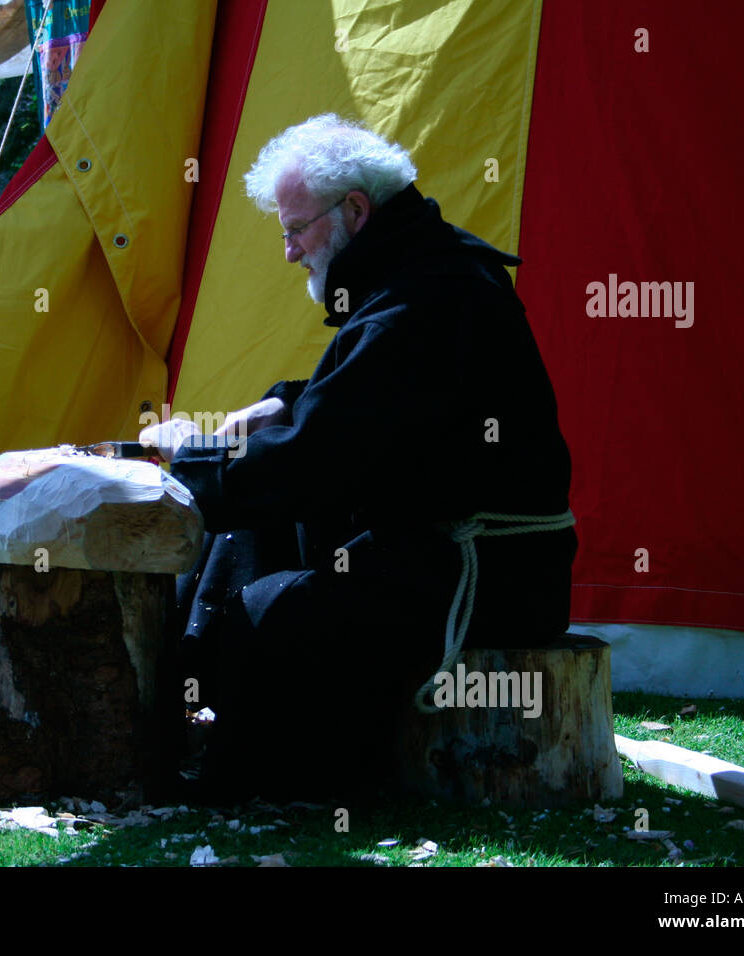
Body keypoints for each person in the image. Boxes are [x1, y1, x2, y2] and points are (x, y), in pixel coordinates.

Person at [141, 114, 577, 798]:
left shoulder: (428, 297)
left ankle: (248, 776)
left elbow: (323, 461)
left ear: (354, 211)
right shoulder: (416, 277)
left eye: (294, 230)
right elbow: (374, 407)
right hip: (444, 552)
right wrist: (286, 402)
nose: (288, 252)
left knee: (267, 615)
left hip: (488, 577)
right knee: (244, 539)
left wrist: (193, 466)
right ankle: (177, 727)